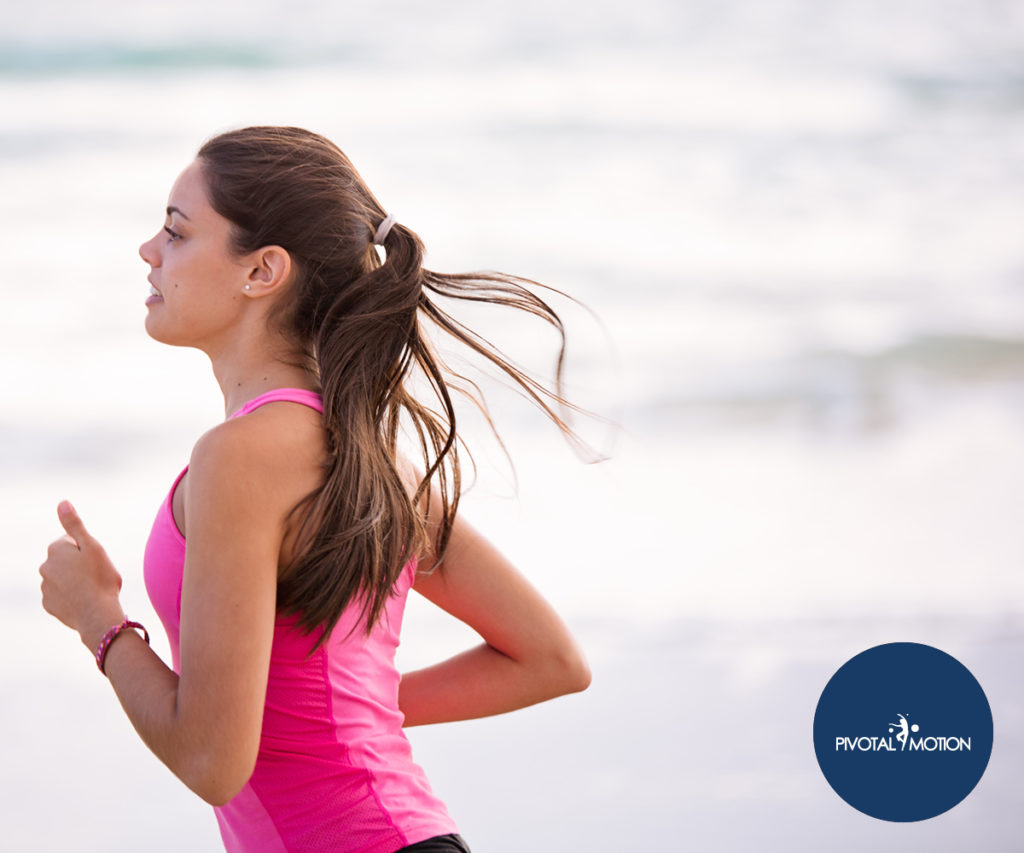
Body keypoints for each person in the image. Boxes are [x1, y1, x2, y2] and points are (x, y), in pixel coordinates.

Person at [38, 126, 592, 853]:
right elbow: (549, 659)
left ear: (262, 270)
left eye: (176, 231)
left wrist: (98, 620)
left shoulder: (239, 458)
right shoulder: (366, 454)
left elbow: (211, 762)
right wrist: (344, 718)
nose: (149, 250)